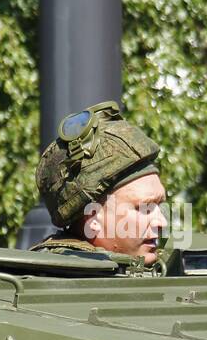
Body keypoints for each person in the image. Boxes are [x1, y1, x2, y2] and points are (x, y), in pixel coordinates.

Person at [31, 101, 168, 266]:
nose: (161, 222)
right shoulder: (60, 281)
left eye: (159, 206)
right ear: (92, 218)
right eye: (144, 208)